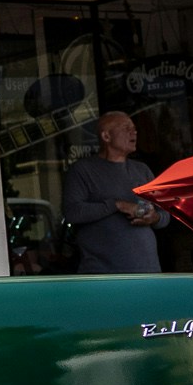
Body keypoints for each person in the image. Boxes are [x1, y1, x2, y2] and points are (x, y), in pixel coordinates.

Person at [62, 111, 170, 273]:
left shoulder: (142, 170)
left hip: (148, 271)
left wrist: (154, 218)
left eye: (134, 128)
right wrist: (116, 205)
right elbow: (72, 212)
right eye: (126, 128)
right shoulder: (83, 170)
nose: (134, 132)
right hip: (104, 275)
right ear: (106, 136)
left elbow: (165, 215)